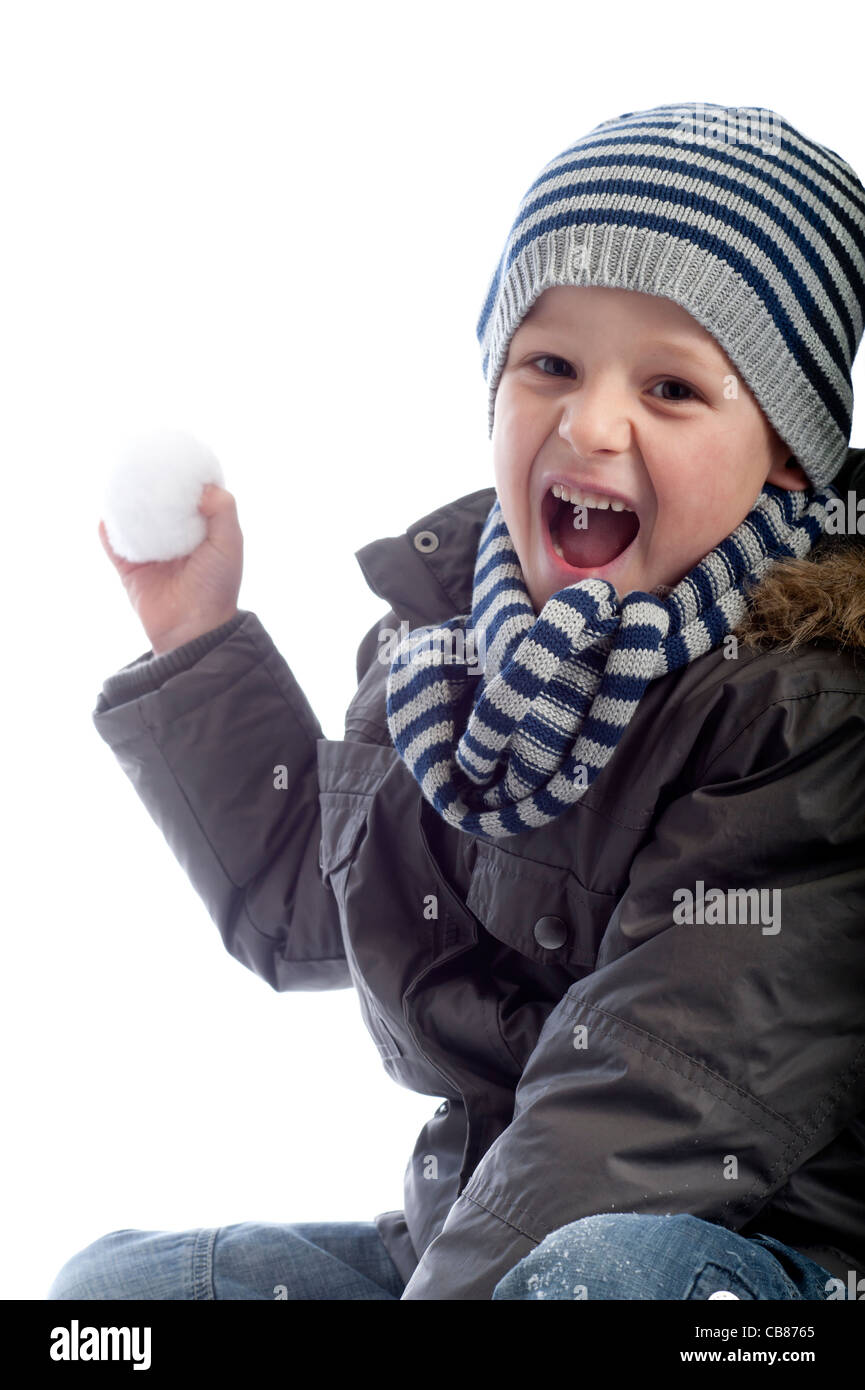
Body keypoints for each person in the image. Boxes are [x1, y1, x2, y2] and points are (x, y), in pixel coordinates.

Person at [49, 101, 865, 1301]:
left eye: (674, 389)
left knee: (599, 1277)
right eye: (549, 365)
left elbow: (654, 1092)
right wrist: (196, 635)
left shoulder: (801, 719)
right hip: (486, 1254)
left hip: (737, 1278)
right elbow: (305, 900)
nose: (591, 423)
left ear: (786, 455)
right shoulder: (449, 661)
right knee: (121, 1299)